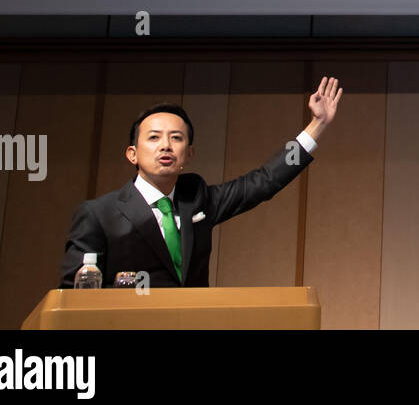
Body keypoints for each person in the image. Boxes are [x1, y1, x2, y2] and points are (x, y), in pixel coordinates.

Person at [59, 75, 342, 288]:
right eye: (154, 137)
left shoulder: (197, 198)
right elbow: (74, 294)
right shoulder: (99, 214)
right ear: (132, 154)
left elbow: (263, 182)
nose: (166, 146)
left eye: (176, 138)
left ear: (189, 154)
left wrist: (317, 126)